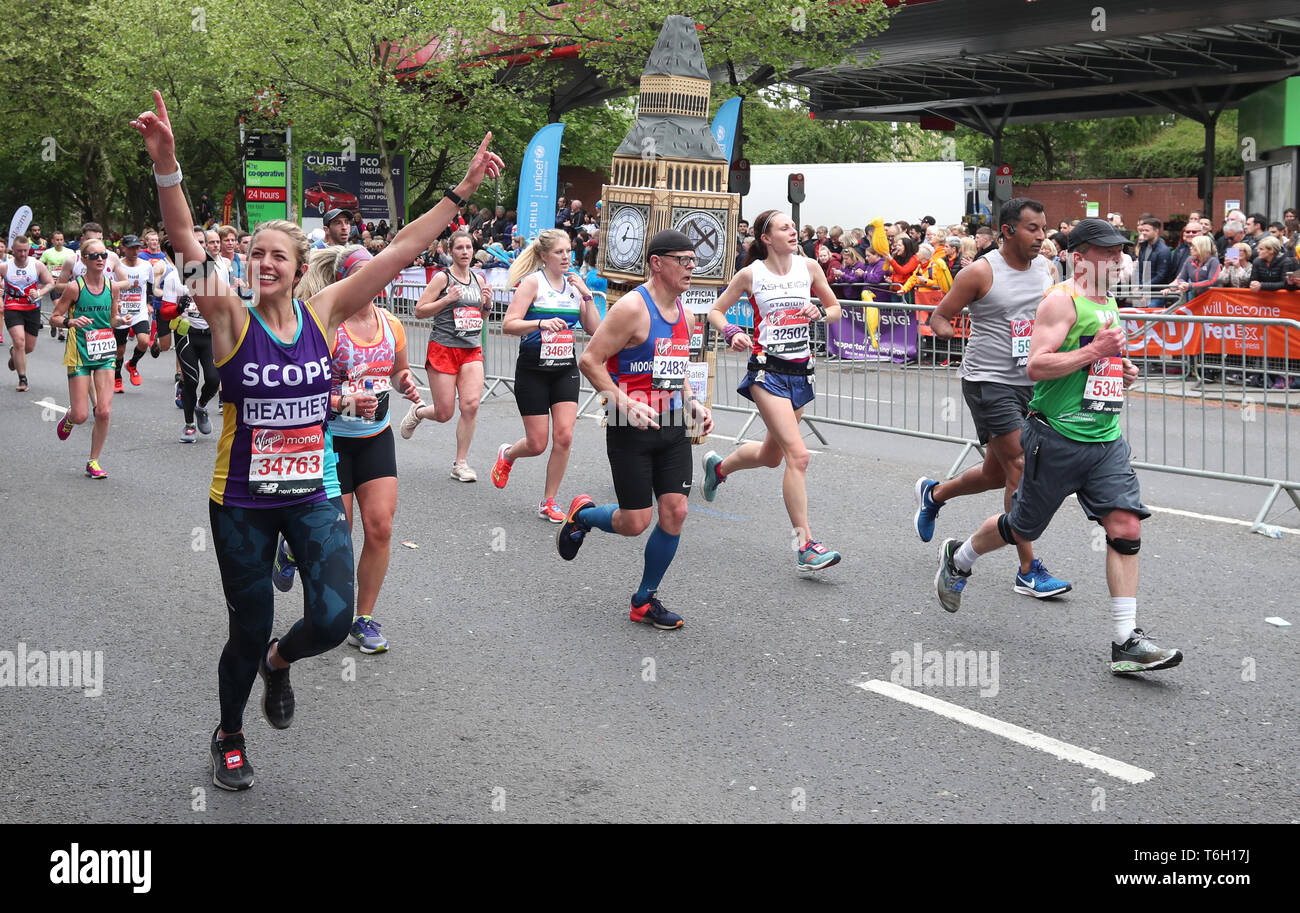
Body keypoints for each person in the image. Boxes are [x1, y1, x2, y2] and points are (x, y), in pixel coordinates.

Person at [132, 89, 501, 790]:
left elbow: (403, 250)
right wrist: (167, 165)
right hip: (240, 501)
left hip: (313, 492)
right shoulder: (228, 317)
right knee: (249, 625)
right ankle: (231, 731)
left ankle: (280, 663)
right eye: (254, 253)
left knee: (331, 620)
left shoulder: (326, 311)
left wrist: (461, 192)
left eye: (277, 254)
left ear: (302, 268)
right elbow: (183, 239)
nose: (263, 262)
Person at [934, 218, 1182, 675]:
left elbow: (1098, 354)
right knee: (1022, 525)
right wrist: (1094, 353)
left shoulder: (1106, 301)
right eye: (1108, 253)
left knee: (1126, 526)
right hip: (1056, 437)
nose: (1119, 259)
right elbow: (1037, 366)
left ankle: (1126, 640)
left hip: (1105, 438)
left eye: (1120, 252)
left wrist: (1120, 368)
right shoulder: (1059, 301)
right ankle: (960, 556)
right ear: (1082, 256)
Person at [557, 229, 714, 629]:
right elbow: (590, 360)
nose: (691, 269)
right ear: (657, 263)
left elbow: (675, 372)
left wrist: (693, 402)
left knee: (675, 512)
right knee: (635, 522)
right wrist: (622, 399)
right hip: (629, 425)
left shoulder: (687, 315)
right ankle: (583, 516)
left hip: (673, 424)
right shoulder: (631, 308)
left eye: (694, 261)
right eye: (684, 260)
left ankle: (644, 600)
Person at [917, 198, 1073, 600]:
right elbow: (940, 314)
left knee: (996, 474)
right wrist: (945, 331)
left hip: (1031, 382)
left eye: (1043, 228)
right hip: (988, 382)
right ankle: (1027, 570)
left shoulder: (1045, 269)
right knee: (1020, 465)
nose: (1042, 236)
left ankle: (934, 494)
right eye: (1032, 229)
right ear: (1007, 231)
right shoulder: (980, 272)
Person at [275, 244, 422, 653]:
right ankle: (306, 579)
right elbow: (299, 389)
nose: (372, 284)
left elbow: (397, 370)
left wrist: (405, 382)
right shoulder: (327, 326)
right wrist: (343, 401)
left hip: (376, 437)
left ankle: (363, 619)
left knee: (381, 527)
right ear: (347, 279)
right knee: (338, 535)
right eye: (364, 275)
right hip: (330, 440)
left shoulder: (391, 324)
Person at [703, 209, 844, 572]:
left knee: (771, 455)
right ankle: (805, 544)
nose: (793, 231)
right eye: (785, 227)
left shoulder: (809, 267)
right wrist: (733, 332)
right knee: (798, 456)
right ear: (767, 238)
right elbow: (716, 312)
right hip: (767, 372)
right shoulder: (751, 274)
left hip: (801, 371)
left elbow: (835, 308)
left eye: (794, 226)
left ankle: (719, 468)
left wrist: (820, 313)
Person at [492, 228, 601, 521]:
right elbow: (508, 324)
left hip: (565, 369)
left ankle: (549, 501)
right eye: (559, 252)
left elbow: (593, 329)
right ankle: (508, 454)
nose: (566, 257)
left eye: (569, 252)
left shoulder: (574, 285)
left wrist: (587, 296)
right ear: (544, 256)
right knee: (537, 443)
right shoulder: (533, 283)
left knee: (564, 437)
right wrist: (539, 323)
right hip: (533, 370)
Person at [400, 230, 491, 481]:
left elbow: (480, 319)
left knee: (471, 405)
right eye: (459, 247)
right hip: (444, 348)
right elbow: (419, 311)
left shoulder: (479, 279)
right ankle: (418, 412)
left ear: (473, 251)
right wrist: (447, 300)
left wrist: (487, 306)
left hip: (471, 349)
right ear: (450, 252)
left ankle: (460, 463)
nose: (464, 252)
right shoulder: (443, 278)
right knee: (444, 413)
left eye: (468, 247)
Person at [49, 237, 125, 478]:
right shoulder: (75, 287)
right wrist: (71, 321)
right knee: (82, 415)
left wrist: (121, 321)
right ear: (84, 260)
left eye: (103, 255)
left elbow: (112, 319)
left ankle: (93, 460)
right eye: (95, 256)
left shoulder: (112, 286)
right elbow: (54, 317)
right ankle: (71, 416)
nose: (100, 259)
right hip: (79, 352)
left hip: (104, 353)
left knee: (103, 411)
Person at [2, 235, 56, 391]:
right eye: (19, 251)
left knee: (29, 347)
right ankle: (23, 379)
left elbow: (50, 283)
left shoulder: (37, 265)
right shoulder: (5, 266)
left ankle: (15, 355)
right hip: (12, 305)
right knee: (19, 341)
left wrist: (40, 292)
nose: (23, 254)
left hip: (32, 307)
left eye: (25, 251)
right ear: (13, 250)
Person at [113, 235, 154, 391]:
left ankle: (132, 364)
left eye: (137, 247)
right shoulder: (117, 267)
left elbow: (149, 285)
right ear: (123, 248)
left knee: (144, 341)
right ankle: (117, 377)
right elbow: (111, 287)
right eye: (131, 248)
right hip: (121, 313)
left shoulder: (146, 266)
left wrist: (149, 303)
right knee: (119, 350)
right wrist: (115, 304)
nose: (135, 251)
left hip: (139, 312)